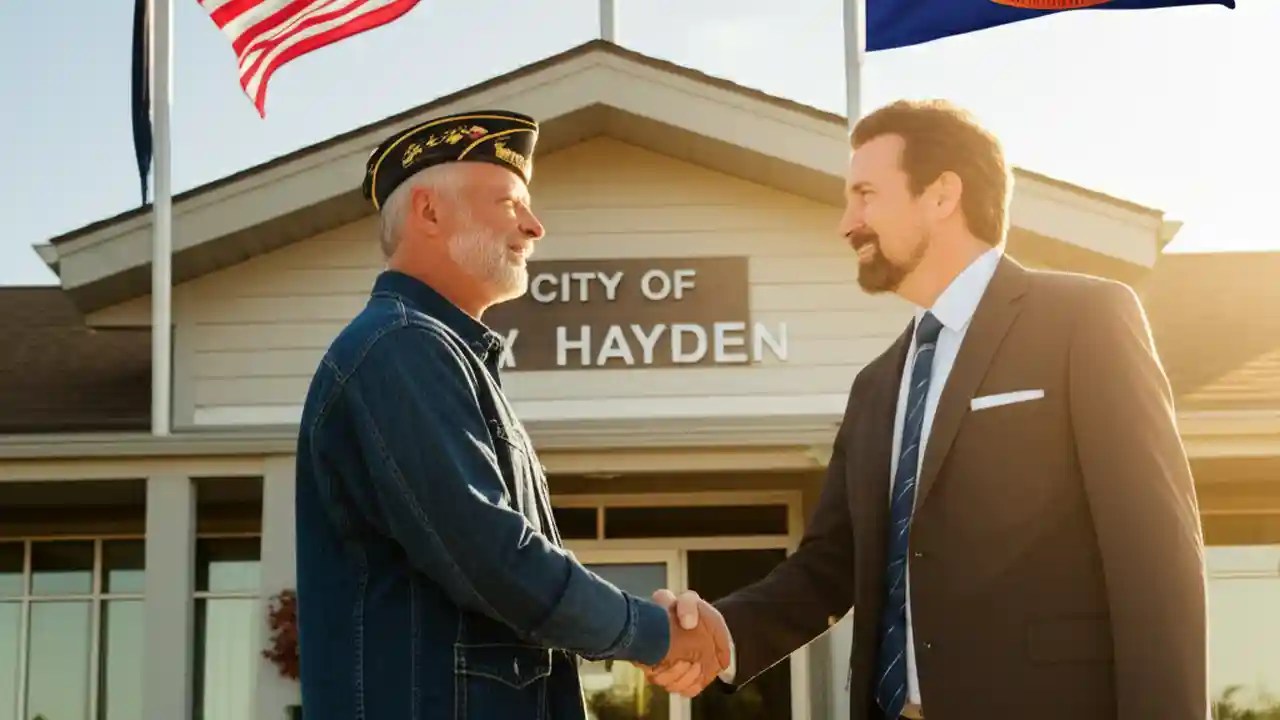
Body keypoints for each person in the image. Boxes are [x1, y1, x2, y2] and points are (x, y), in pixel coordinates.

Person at [644, 99, 1209, 719]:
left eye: (865, 194)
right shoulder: (877, 384)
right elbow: (828, 567)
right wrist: (721, 630)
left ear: (942, 195)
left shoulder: (1085, 319)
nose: (847, 223)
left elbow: (1158, 558)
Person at [293, 109, 728, 720]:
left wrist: (646, 626)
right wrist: (651, 631)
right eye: (509, 202)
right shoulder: (399, 347)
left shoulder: (436, 353)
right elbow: (494, 558)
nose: (535, 226)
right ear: (430, 212)